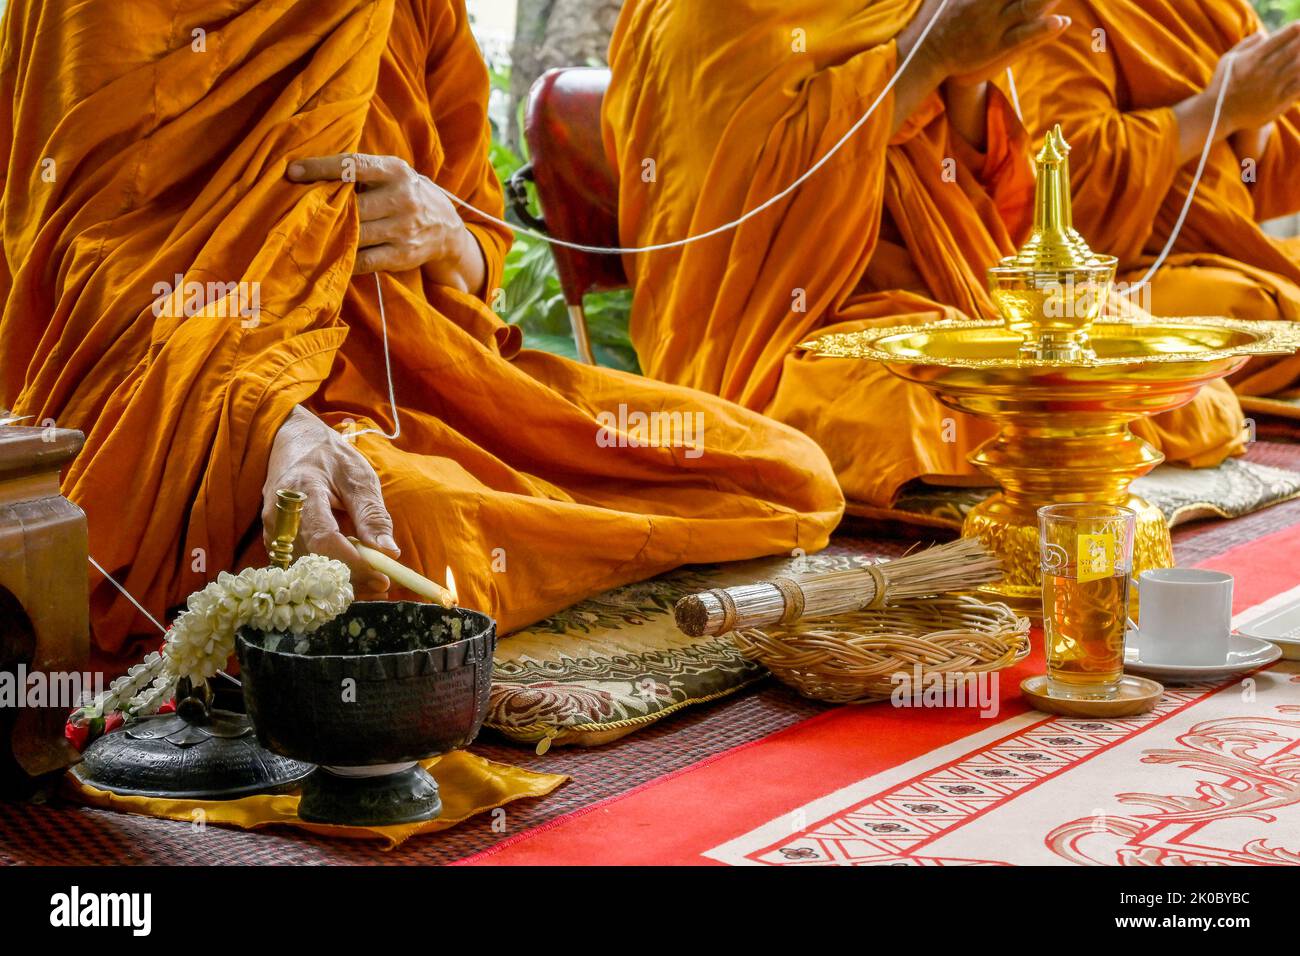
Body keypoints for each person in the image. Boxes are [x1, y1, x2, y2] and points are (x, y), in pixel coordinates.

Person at [0, 0, 843, 658]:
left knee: (782, 470)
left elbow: (482, 241)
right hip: (181, 407)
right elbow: (79, 255)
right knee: (409, 534)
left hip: (424, 382)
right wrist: (262, 421)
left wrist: (445, 230)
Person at [603, 0, 1247, 510]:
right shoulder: (703, 13)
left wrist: (965, 79)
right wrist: (927, 56)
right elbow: (744, 200)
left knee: (1168, 369)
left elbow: (974, 190)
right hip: (790, 327)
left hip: (949, 300)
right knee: (913, 403)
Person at [1013, 0, 1300, 405]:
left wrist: (1259, 111)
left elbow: (1259, 175)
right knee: (1257, 313)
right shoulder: (1062, 11)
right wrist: (1220, 109)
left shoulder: (1218, 8)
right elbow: (1068, 191)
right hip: (1115, 281)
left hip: (1226, 254)